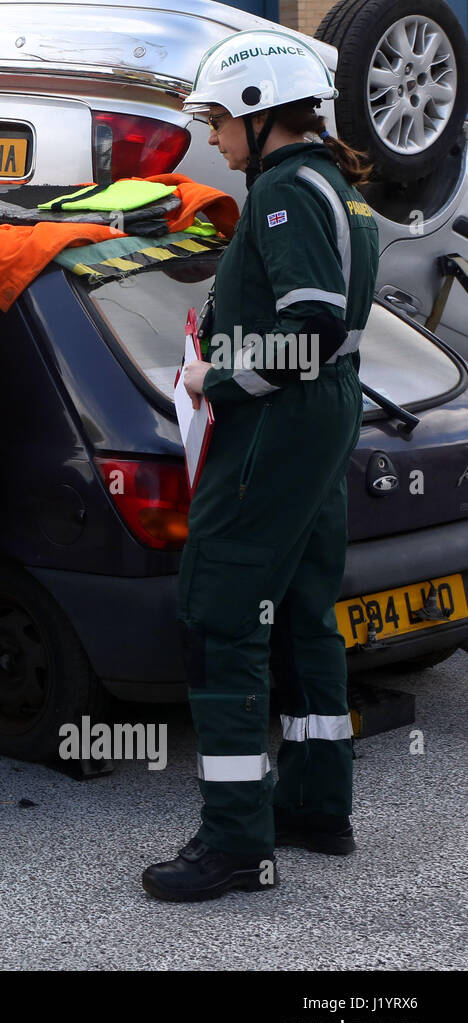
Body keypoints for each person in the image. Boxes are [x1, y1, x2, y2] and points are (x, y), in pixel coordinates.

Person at [141, 30, 379, 902]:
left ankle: (238, 841)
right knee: (308, 607)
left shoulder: (283, 194)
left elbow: (311, 329)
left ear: (256, 108)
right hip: (320, 418)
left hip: (277, 422)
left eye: (217, 118)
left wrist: (218, 378)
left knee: (221, 614)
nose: (213, 136)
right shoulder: (336, 188)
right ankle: (317, 805)